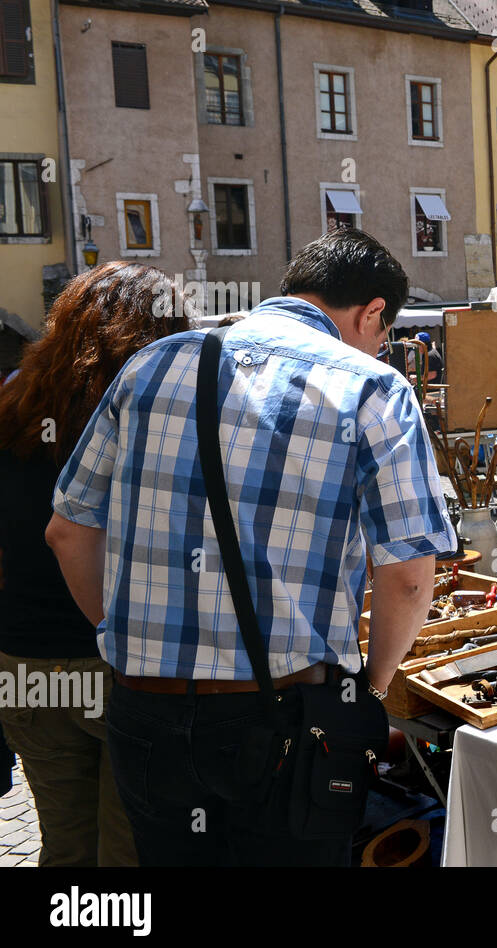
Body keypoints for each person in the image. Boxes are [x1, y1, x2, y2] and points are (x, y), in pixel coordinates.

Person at [46, 229, 455, 866]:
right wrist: (369, 692)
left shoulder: (152, 363)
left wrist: (118, 633)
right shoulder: (373, 388)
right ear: (372, 312)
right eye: (383, 331)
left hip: (142, 707)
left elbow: (68, 530)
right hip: (285, 719)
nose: (381, 345)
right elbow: (407, 575)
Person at [0, 262, 190, 867]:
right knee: (130, 852)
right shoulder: (144, 416)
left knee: (65, 846)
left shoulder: (11, 404)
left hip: (23, 661)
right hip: (117, 661)